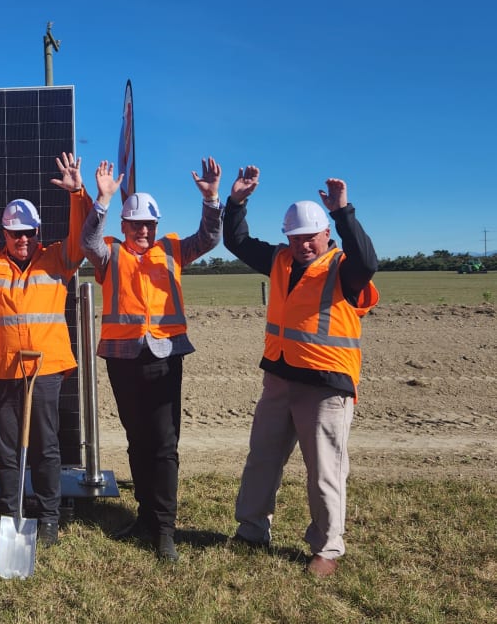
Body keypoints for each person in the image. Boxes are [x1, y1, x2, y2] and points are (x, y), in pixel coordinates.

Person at [223, 166, 379, 577]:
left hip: (326, 386)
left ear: (326, 233)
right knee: (262, 460)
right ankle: (252, 530)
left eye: (311, 235)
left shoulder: (344, 267)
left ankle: (326, 548)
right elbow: (236, 241)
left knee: (325, 470)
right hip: (279, 378)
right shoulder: (279, 260)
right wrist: (236, 202)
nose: (303, 243)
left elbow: (369, 260)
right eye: (296, 237)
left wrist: (345, 212)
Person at [81, 158, 223, 561]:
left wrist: (211, 198)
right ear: (123, 226)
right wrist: (104, 200)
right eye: (136, 224)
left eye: (149, 225)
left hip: (164, 356)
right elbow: (88, 241)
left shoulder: (174, 250)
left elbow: (209, 238)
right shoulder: (109, 254)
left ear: (157, 226)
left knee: (163, 444)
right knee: (137, 440)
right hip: (122, 358)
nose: (143, 231)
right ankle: (144, 516)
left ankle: (164, 529)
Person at [0, 153, 93, 547]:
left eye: (28, 232)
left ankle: (49, 517)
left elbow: (82, 237)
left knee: (47, 447)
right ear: (4, 234)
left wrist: (77, 194)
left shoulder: (58, 259)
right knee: (6, 450)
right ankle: (11, 513)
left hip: (44, 371)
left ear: (37, 232)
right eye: (15, 233)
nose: (22, 239)